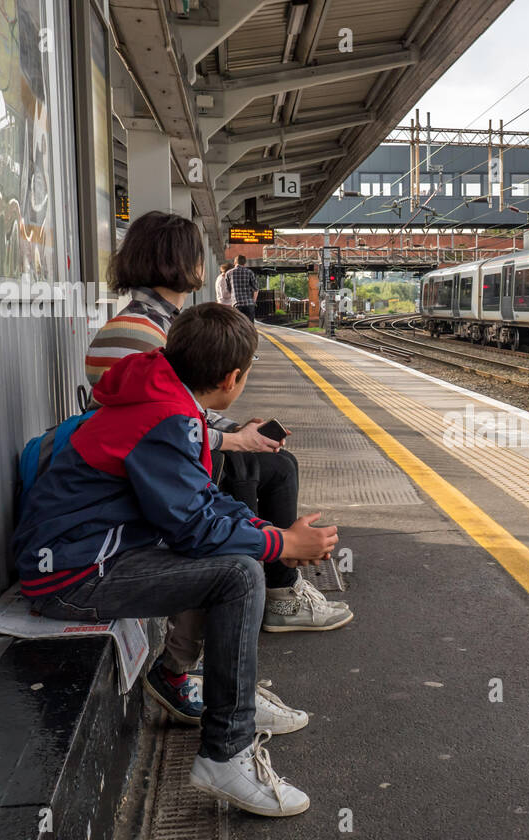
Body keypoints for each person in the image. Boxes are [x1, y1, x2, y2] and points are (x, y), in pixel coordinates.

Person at [13, 304, 334, 816]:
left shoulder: (160, 395)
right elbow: (196, 527)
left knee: (234, 554)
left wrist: (267, 532)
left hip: (90, 552)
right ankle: (227, 750)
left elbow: (200, 500)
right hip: (73, 575)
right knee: (239, 575)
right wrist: (282, 546)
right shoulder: (166, 417)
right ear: (232, 379)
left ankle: (215, 697)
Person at [85, 211, 352, 728]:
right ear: (181, 260)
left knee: (269, 466)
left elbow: (177, 412)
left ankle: (275, 595)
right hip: (139, 480)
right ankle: (237, 640)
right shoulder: (139, 333)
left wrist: (234, 427)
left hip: (153, 467)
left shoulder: (157, 325)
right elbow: (153, 426)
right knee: (246, 492)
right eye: (196, 253)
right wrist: (233, 437)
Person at [227, 253, 259, 320]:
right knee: (250, 326)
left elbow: (229, 289)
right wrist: (253, 301)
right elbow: (256, 289)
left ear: (235, 262)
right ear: (244, 263)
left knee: (238, 326)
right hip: (249, 304)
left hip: (237, 304)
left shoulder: (229, 273)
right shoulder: (250, 272)